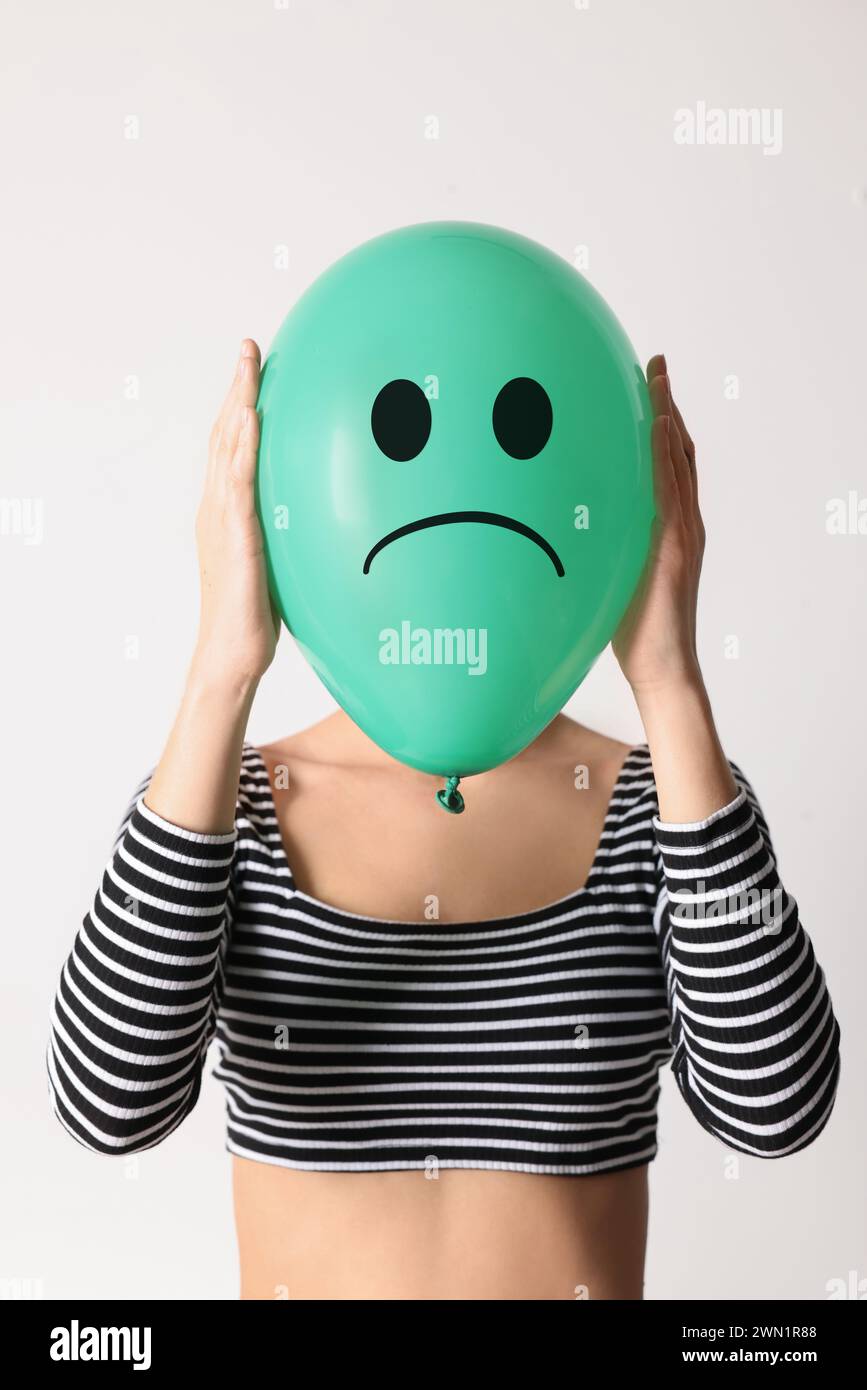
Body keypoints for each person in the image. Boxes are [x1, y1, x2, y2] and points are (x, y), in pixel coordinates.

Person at [46, 342, 841, 1300]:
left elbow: (776, 1108)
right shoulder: (230, 804)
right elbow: (107, 1104)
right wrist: (222, 667)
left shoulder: (660, 801)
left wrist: (669, 677)